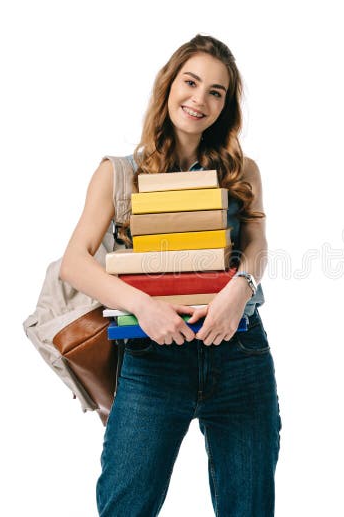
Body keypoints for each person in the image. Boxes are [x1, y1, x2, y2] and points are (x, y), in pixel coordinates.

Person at [58, 34, 281, 516]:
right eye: (191, 82)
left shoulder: (243, 172)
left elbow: (256, 247)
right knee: (126, 506)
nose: (200, 99)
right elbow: (76, 261)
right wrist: (143, 306)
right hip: (152, 358)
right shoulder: (118, 173)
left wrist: (239, 290)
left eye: (216, 92)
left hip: (239, 354)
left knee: (250, 508)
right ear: (169, 86)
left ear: (225, 106)